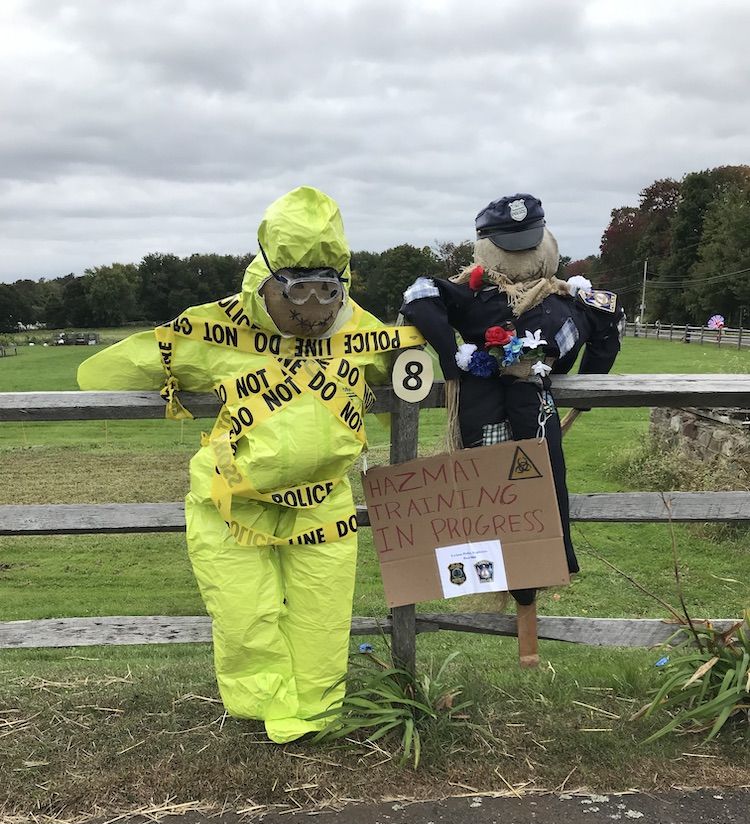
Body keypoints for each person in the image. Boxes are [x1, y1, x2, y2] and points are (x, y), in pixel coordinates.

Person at [78, 186, 420, 743]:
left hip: (323, 502)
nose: (313, 310)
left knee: (322, 615)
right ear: (269, 282)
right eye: (298, 293)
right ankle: (265, 705)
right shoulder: (216, 327)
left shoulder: (362, 329)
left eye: (327, 292)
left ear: (342, 284)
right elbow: (105, 376)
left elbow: (409, 373)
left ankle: (313, 714)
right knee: (242, 612)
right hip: (230, 501)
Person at [400, 193, 624, 606]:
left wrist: (588, 388)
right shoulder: (476, 295)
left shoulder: (567, 299)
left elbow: (606, 321)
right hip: (493, 411)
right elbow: (419, 296)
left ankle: (533, 572)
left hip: (524, 411)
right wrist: (451, 356)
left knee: (535, 491)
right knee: (488, 492)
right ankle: (495, 572)